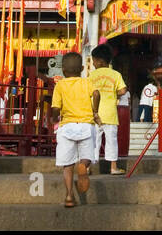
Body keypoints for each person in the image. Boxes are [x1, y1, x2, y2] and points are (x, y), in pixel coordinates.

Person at [51, 51, 100, 208]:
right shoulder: (87, 82)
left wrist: (54, 118)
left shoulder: (60, 85)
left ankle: (69, 196)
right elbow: (97, 93)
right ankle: (83, 166)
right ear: (83, 68)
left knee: (67, 165)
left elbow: (56, 107)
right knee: (86, 158)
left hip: (67, 127)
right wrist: (95, 111)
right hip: (85, 125)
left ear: (63, 70)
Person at [88, 44, 127, 175]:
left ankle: (88, 167)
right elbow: (123, 90)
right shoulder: (116, 74)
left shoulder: (92, 75)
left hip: (94, 113)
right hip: (110, 114)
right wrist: (113, 93)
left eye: (93, 60)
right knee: (111, 141)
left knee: (93, 141)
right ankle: (113, 167)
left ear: (100, 61)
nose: (93, 63)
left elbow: (88, 92)